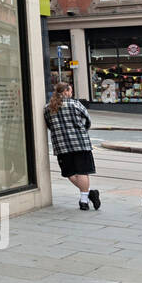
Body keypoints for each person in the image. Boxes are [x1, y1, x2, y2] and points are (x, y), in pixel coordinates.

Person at [43, 81, 99, 210]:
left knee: (69, 172)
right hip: (80, 143)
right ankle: (84, 200)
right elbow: (87, 121)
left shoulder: (47, 108)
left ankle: (88, 194)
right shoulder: (75, 104)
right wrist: (81, 131)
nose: (71, 93)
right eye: (70, 91)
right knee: (82, 171)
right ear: (65, 92)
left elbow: (49, 126)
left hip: (61, 145)